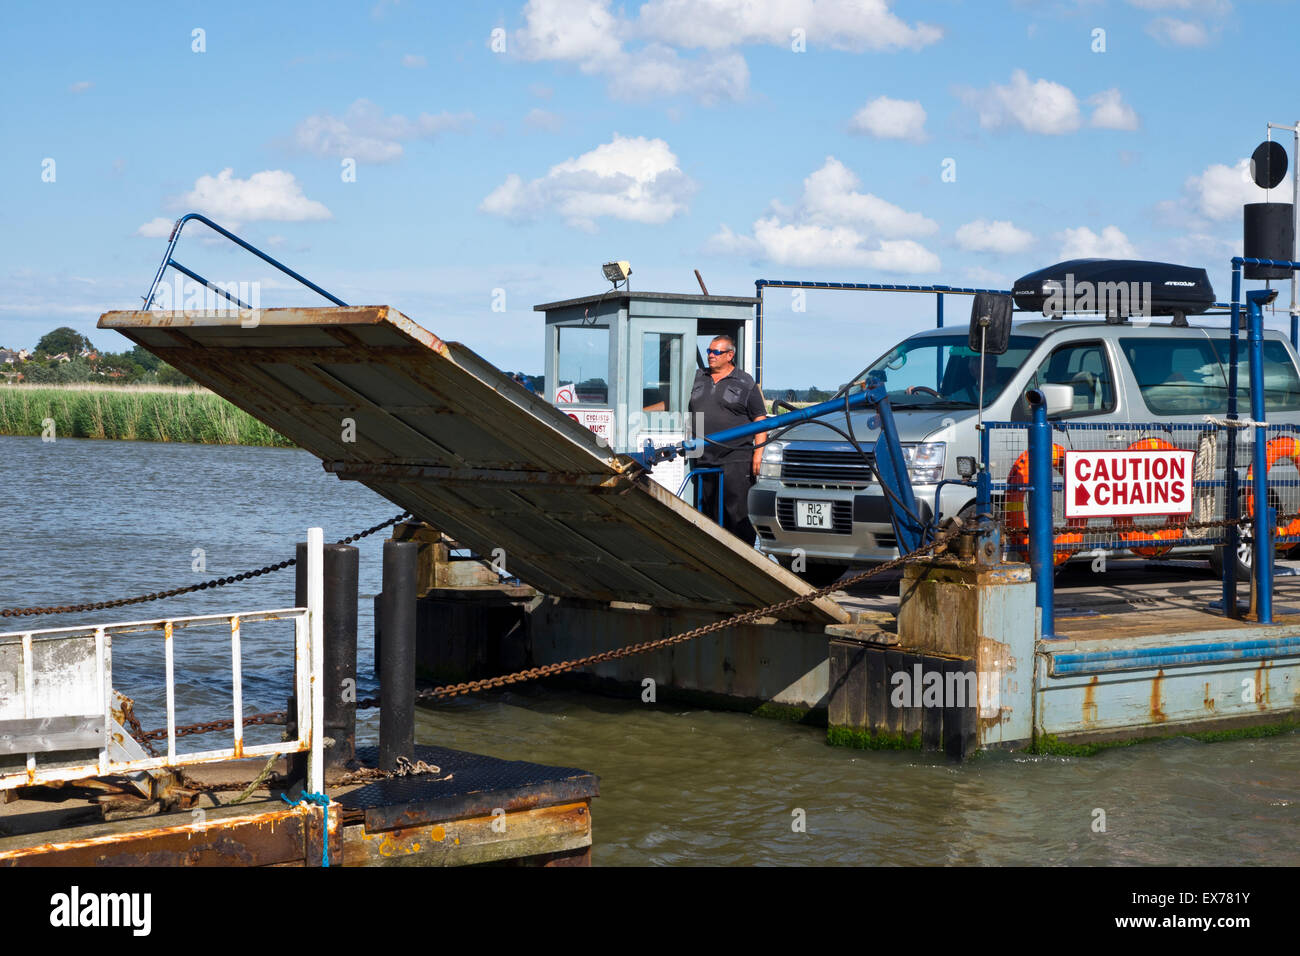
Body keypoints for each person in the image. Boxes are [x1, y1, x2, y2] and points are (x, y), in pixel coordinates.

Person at [688, 335, 766, 541]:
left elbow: (760, 418)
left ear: (730, 355)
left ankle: (743, 562)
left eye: (716, 352)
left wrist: (759, 453)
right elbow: (680, 407)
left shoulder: (745, 381)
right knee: (708, 515)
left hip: (736, 459)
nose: (711, 356)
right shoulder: (697, 378)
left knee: (736, 515)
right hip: (703, 459)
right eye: (709, 351)